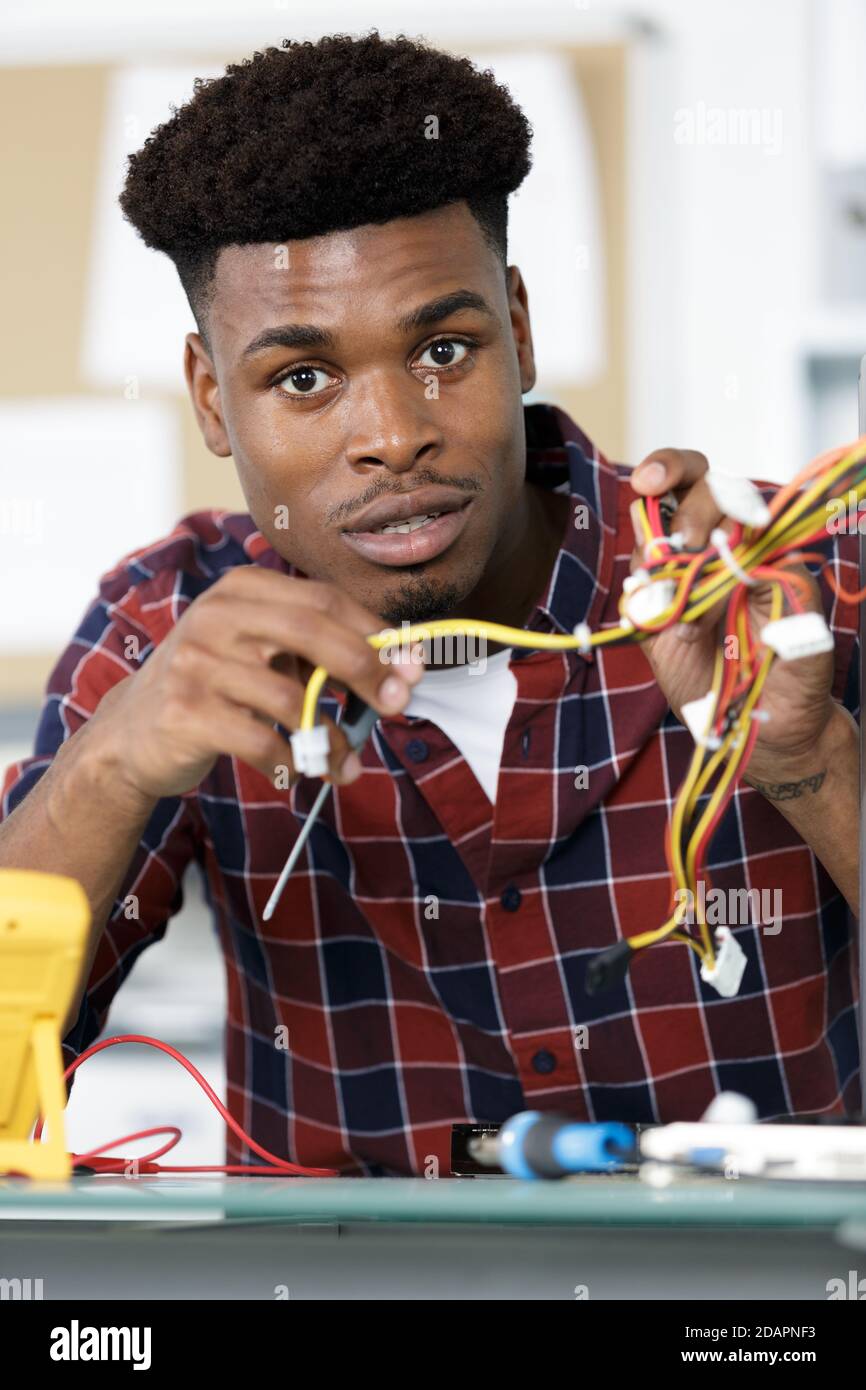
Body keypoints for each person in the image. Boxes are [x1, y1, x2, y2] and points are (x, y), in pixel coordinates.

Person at [1, 33, 859, 1177]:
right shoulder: (169, 626)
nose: (393, 434)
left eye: (444, 348)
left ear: (519, 330)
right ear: (212, 396)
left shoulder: (781, 590)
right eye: (302, 379)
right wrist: (105, 773)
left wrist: (811, 764)